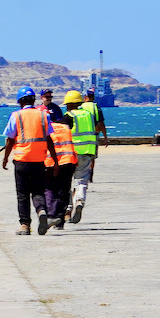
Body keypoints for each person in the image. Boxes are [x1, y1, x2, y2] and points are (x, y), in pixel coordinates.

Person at [0, 87, 59, 235]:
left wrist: (6, 158)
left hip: (22, 160)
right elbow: (49, 139)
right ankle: (41, 211)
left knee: (23, 194)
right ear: (34, 100)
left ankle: (25, 225)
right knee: (38, 191)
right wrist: (55, 160)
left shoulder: (16, 116)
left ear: (20, 101)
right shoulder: (43, 116)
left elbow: (10, 139)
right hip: (39, 160)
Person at [67, 89, 106, 223]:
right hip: (88, 150)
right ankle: (80, 202)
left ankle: (68, 208)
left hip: (72, 153)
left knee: (67, 182)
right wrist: (105, 138)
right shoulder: (90, 113)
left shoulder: (69, 116)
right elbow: (99, 126)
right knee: (82, 181)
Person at [46, 110, 77, 232]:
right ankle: (60, 221)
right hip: (68, 161)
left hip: (51, 163)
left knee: (50, 190)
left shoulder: (46, 129)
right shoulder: (66, 127)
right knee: (64, 191)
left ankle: (51, 215)